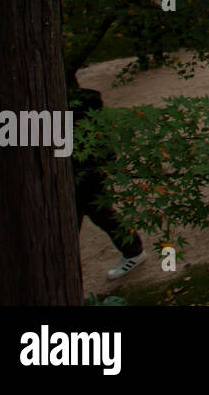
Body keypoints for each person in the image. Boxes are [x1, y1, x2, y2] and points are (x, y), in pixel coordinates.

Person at [70, 86, 146, 281]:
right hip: (81, 167)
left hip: (86, 169)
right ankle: (133, 250)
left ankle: (133, 251)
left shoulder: (82, 111)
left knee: (98, 211)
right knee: (87, 212)